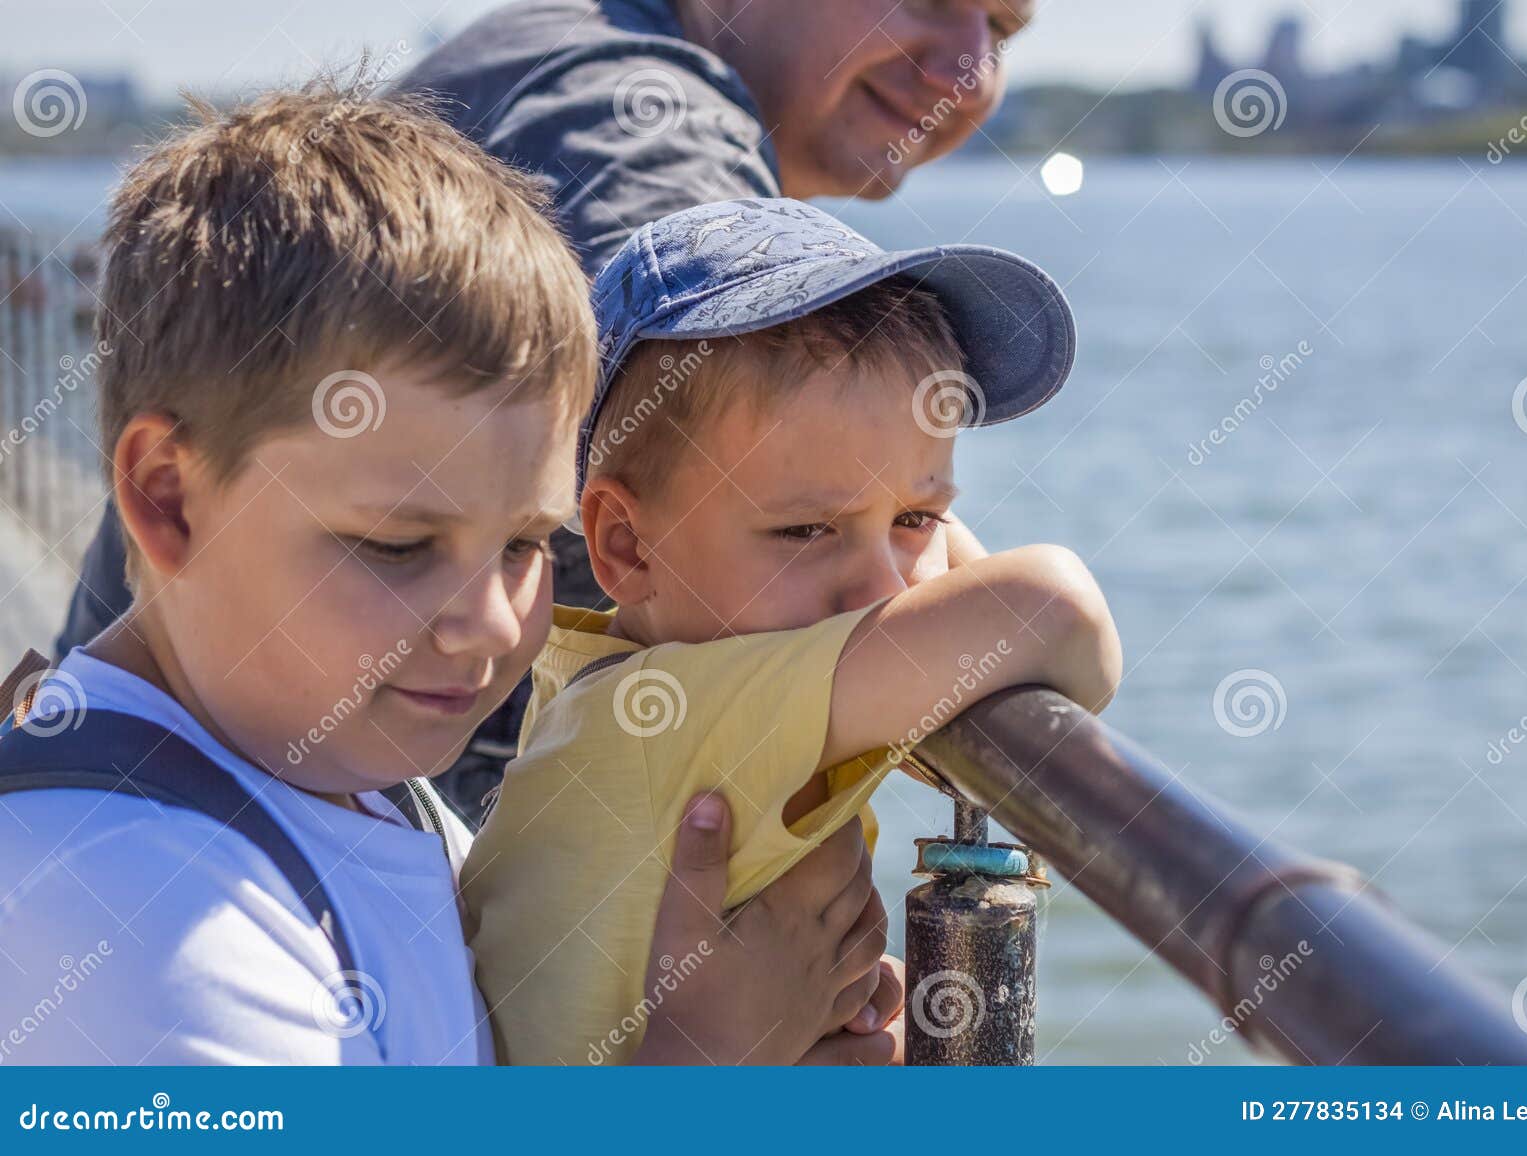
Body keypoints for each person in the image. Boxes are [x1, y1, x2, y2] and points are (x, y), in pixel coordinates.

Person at [0, 88, 899, 1066]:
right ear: (171, 498)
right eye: (395, 546)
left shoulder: (360, 782)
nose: (484, 623)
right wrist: (708, 1059)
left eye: (522, 544)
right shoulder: (141, 919)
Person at [53, 0, 1036, 824]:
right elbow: (749, 422)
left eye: (1001, 22)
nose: (964, 64)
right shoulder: (639, 130)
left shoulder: (544, 55)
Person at [466, 197, 1121, 1064]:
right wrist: (917, 523)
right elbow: (1060, 613)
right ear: (626, 545)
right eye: (805, 531)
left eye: (916, 519)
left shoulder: (602, 675)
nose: (883, 588)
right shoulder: (698, 710)